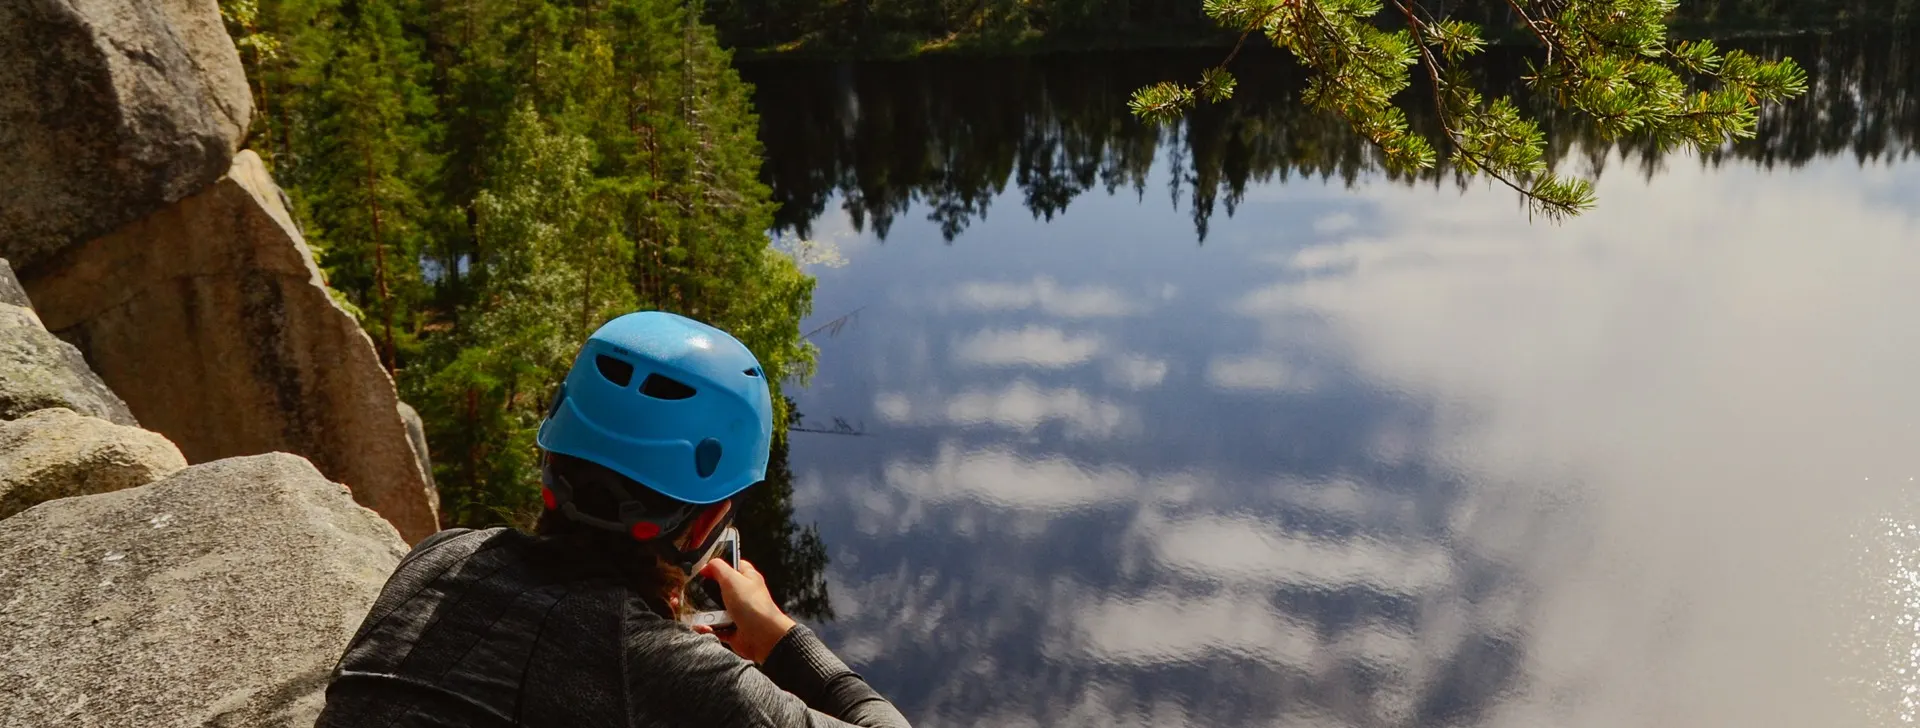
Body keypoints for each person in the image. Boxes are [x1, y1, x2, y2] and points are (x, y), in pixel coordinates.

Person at [316, 311, 911, 728]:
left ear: (551, 461)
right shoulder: (671, 674)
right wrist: (780, 639)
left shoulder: (437, 557)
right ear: (705, 529)